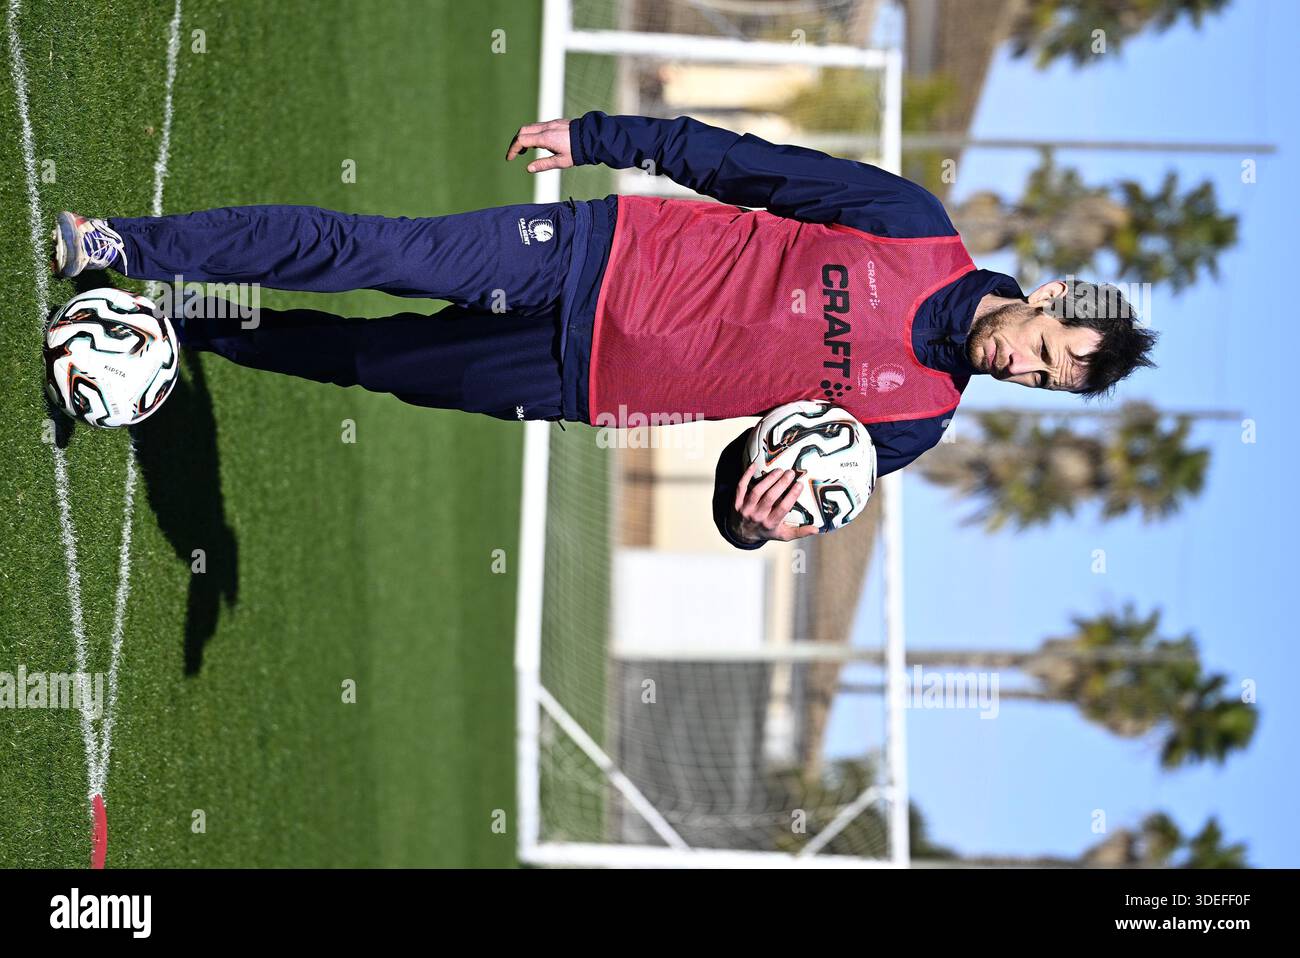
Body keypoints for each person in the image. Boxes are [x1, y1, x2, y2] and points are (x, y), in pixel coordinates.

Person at [50, 112, 1156, 548]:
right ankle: (121, 248)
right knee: (375, 254)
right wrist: (594, 134)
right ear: (1052, 298)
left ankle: (192, 323)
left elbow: (756, 463)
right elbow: (752, 168)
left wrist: (753, 517)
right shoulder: (913, 227)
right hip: (597, 251)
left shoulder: (910, 424)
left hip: (584, 377)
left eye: (1044, 385)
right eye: (1047, 350)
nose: (1022, 369)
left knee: (364, 358)